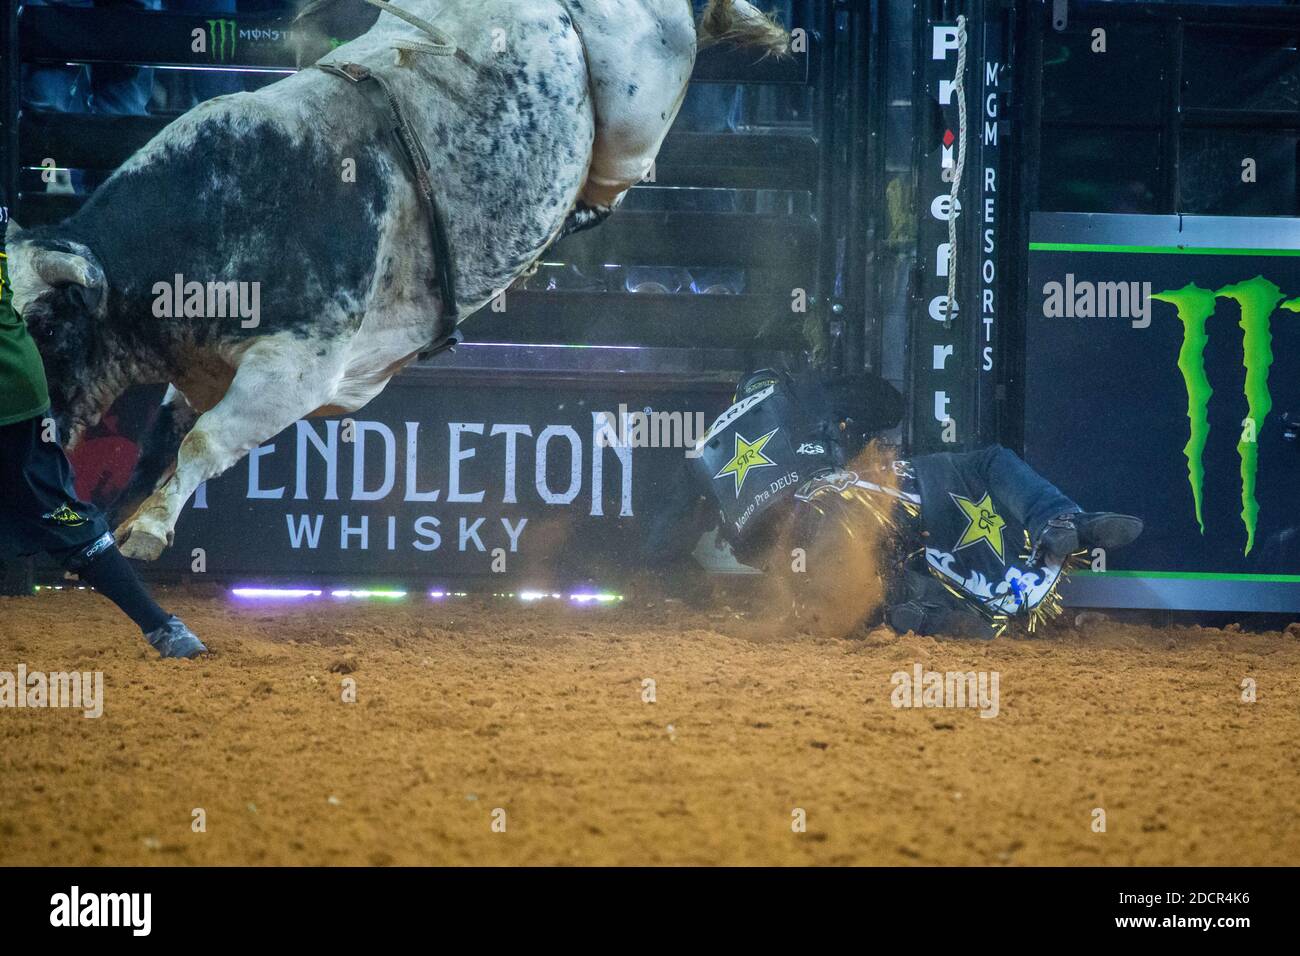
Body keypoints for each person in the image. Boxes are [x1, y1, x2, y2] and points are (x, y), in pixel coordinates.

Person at [646, 366, 1143, 638]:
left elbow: (664, 539)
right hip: (886, 490)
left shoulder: (706, 461)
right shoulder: (811, 399)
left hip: (805, 545)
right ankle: (1062, 516)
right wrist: (834, 401)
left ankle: (912, 614)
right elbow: (887, 403)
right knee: (988, 464)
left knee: (850, 588)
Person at [0, 223, 206, 658]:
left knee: (62, 516)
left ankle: (161, 626)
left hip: (9, 396)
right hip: (14, 384)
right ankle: (164, 628)